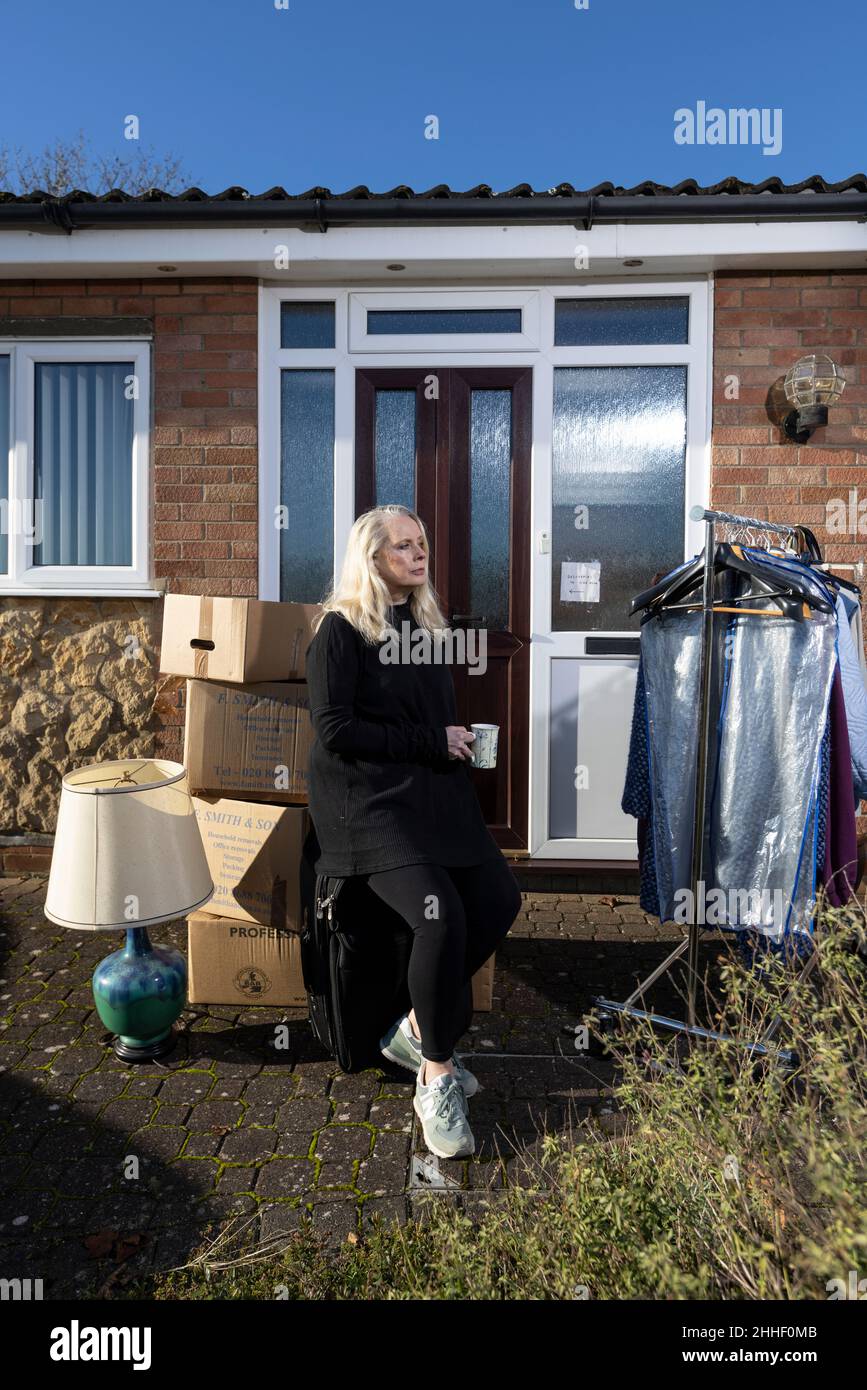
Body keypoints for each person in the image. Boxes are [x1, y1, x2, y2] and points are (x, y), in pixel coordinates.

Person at [304, 504, 524, 1160]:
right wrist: (433, 740)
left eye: (421, 544)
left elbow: (430, 715)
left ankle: (414, 1027)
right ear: (371, 559)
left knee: (497, 901)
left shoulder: (423, 624)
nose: (417, 555)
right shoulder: (339, 631)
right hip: (366, 805)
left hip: (430, 793)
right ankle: (434, 1072)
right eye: (402, 547)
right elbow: (335, 729)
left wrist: (452, 747)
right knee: (440, 919)